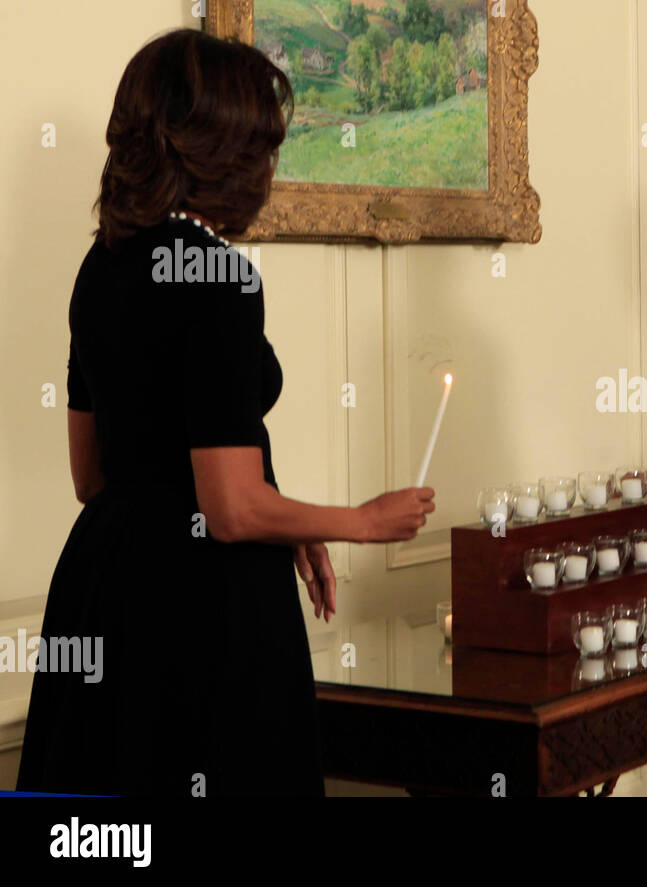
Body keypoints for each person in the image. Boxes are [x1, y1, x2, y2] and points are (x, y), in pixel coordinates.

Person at [17, 29, 435, 796]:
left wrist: (290, 518)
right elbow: (231, 508)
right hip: (201, 614)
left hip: (101, 589)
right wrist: (363, 520)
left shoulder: (100, 264)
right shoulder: (217, 277)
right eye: (264, 146)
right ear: (222, 151)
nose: (271, 168)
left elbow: (92, 476)